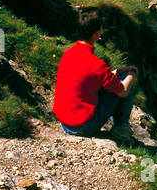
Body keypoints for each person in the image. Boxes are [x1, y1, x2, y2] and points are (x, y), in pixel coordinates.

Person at [53, 11, 138, 140]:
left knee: (117, 80)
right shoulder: (96, 64)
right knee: (127, 84)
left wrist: (117, 72)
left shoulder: (68, 53)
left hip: (65, 122)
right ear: (96, 35)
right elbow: (123, 92)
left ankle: (119, 127)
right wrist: (132, 74)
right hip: (83, 126)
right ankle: (121, 129)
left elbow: (90, 76)